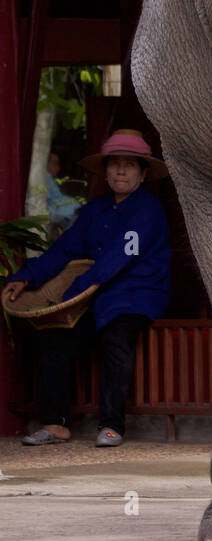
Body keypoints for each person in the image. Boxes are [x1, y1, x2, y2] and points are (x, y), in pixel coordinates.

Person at [2, 130, 171, 448]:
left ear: (143, 173)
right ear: (105, 171)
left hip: (137, 295)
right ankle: (55, 424)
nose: (121, 170)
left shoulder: (148, 210)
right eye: (115, 164)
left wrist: (70, 295)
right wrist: (27, 276)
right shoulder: (95, 210)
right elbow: (64, 250)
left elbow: (114, 260)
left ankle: (111, 425)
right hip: (93, 296)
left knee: (115, 336)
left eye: (130, 165)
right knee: (54, 336)